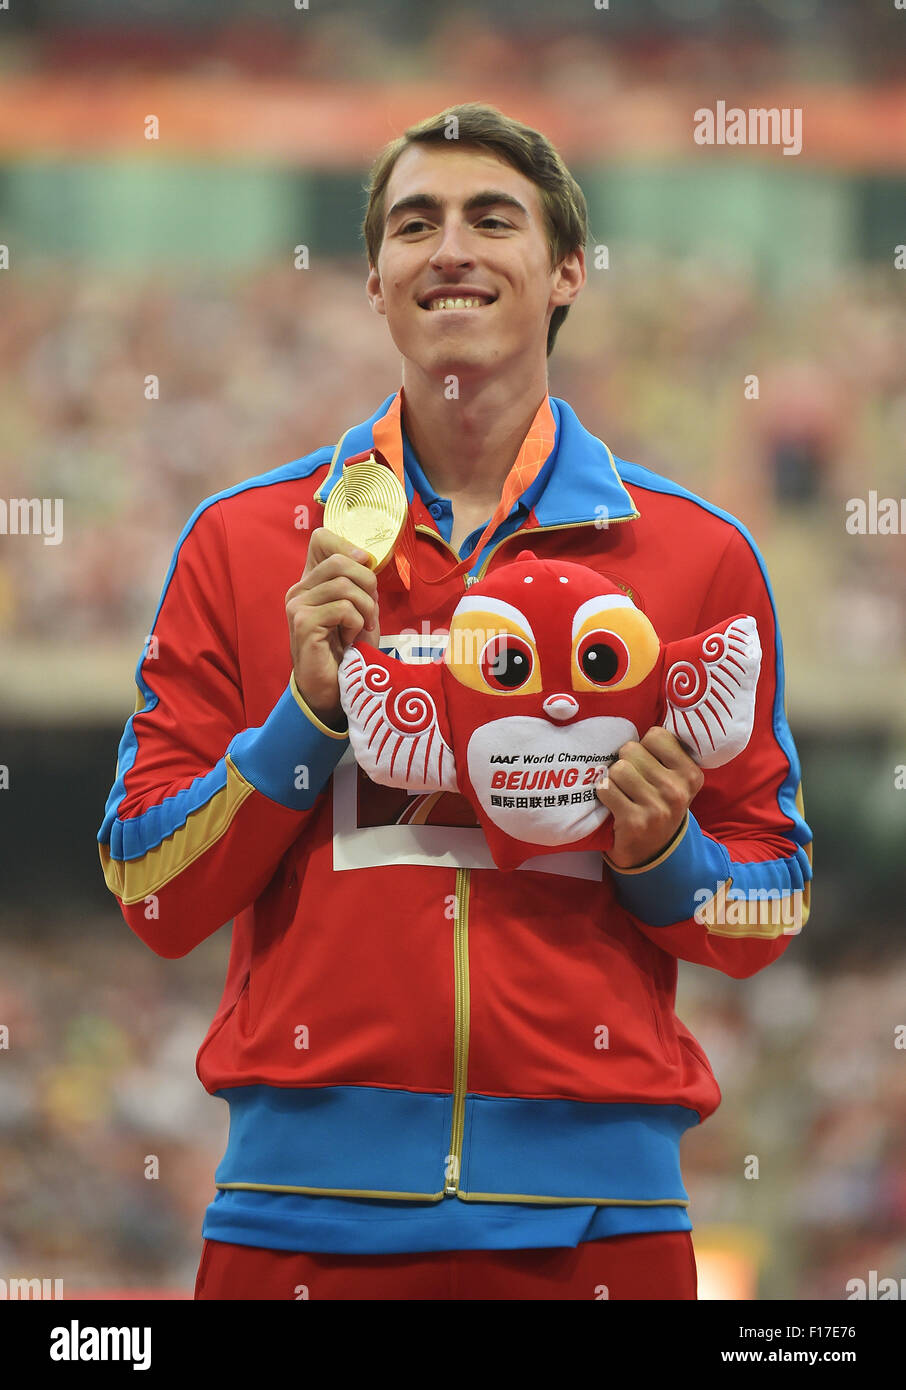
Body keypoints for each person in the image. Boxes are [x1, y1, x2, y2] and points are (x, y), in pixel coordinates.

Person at [97, 102, 813, 1301]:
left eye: (495, 218)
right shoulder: (241, 543)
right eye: (414, 224)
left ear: (567, 270)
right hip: (297, 1220)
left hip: (604, 1227)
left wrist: (662, 855)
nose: (452, 249)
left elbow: (773, 897)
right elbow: (149, 888)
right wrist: (306, 721)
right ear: (375, 282)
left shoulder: (697, 555)